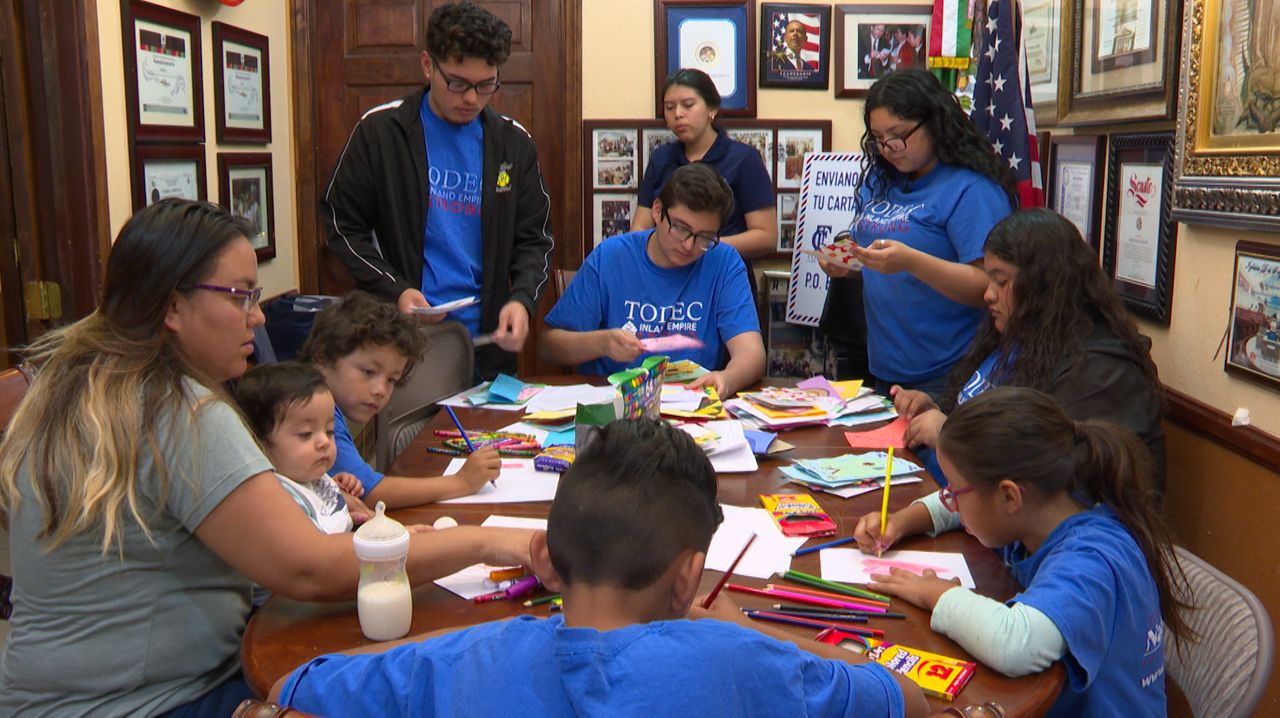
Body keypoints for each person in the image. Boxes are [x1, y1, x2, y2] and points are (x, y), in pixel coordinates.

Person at [0, 199, 537, 716]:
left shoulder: (77, 386)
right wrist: (497, 541)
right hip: (157, 703)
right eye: (240, 297)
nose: (257, 318)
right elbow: (309, 569)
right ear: (171, 306)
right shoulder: (177, 409)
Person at [270, 418, 931, 718]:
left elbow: (294, 689)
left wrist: (461, 645)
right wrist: (755, 632)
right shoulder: (741, 660)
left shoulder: (453, 665)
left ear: (545, 561)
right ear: (686, 578)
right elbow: (907, 699)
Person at [852, 388, 1191, 717]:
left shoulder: (1090, 561)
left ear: (1010, 497)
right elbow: (961, 507)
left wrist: (939, 595)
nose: (950, 500)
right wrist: (901, 522)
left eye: (954, 491)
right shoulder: (1047, 509)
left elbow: (1015, 643)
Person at [321, 1, 554, 380]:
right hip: (400, 343)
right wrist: (395, 290)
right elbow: (341, 224)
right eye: (458, 83)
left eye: (486, 85)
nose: (471, 99)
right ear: (428, 65)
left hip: (487, 347)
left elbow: (535, 240)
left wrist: (522, 301)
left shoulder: (513, 143)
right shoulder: (381, 132)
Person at [891, 209, 1167, 488]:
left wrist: (947, 434)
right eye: (989, 280)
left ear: (1045, 285)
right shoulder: (1022, 336)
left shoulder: (1101, 373)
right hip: (956, 502)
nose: (988, 294)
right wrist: (936, 406)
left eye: (1002, 281)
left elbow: (1054, 475)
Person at [819, 69, 1015, 400]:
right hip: (880, 363)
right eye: (878, 138)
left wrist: (911, 262)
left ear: (933, 122)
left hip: (947, 370)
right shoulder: (880, 180)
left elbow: (989, 285)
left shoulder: (971, 190)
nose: (889, 148)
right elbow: (871, 246)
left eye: (897, 135)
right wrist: (847, 256)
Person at [542, 164, 766, 397]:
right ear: (658, 211)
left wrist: (726, 379)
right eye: (681, 229)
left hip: (692, 402)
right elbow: (549, 346)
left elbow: (752, 353)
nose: (689, 245)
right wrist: (602, 343)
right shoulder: (612, 256)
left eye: (705, 237)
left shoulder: (723, 261)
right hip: (616, 403)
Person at [297, 291, 502, 507]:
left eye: (391, 380)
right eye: (368, 372)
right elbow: (371, 492)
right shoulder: (313, 411)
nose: (381, 390)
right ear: (323, 358)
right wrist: (461, 482)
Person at [632, 68, 776, 285]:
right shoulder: (661, 158)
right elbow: (639, 230)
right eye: (669, 108)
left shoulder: (743, 158)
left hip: (722, 277)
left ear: (712, 108)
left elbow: (766, 236)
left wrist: (700, 245)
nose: (678, 114)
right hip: (665, 279)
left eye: (688, 105)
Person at [233, 362, 372, 533]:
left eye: (329, 431)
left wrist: (333, 487)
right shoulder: (282, 501)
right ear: (259, 443)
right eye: (306, 434)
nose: (325, 442)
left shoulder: (307, 474)